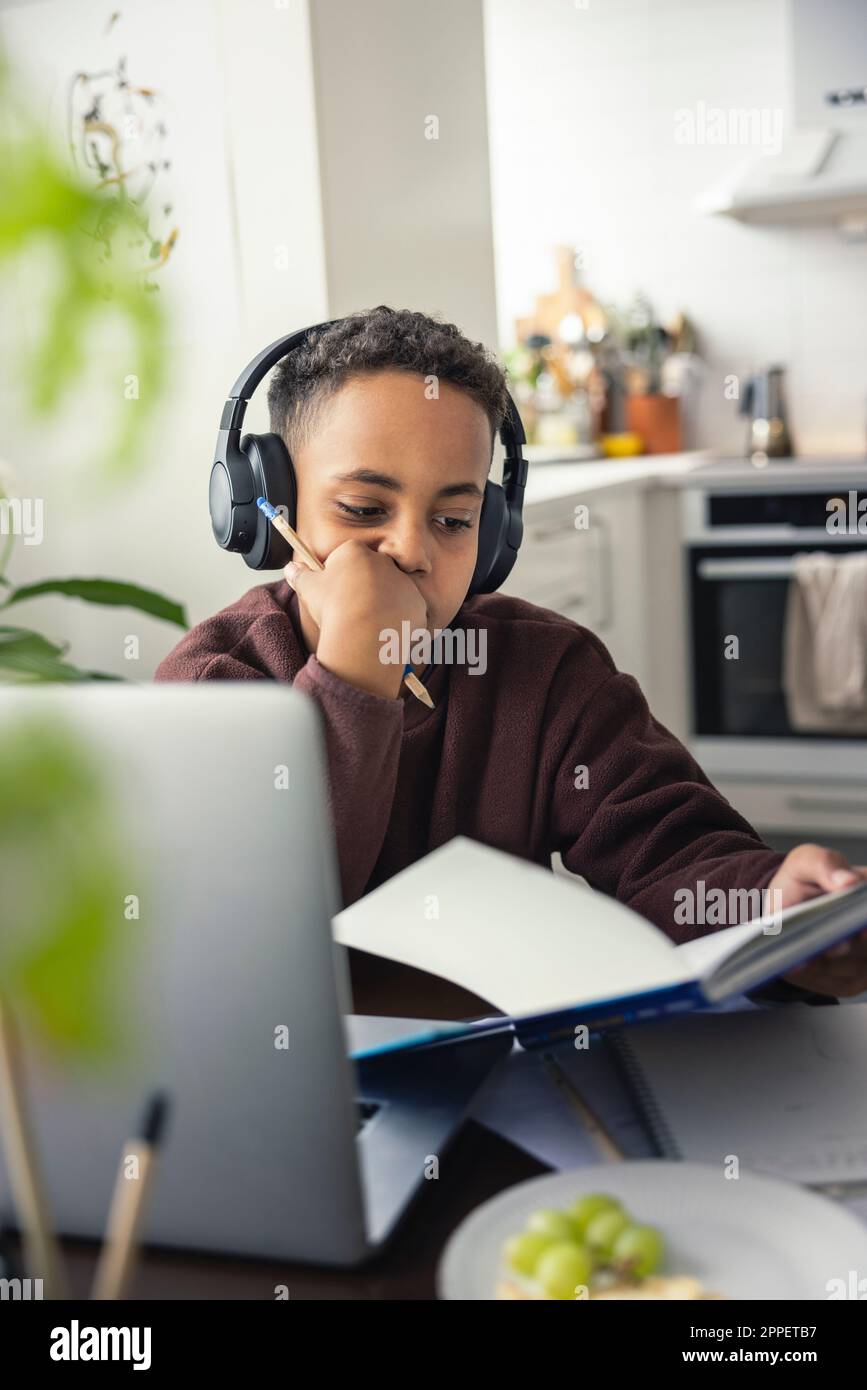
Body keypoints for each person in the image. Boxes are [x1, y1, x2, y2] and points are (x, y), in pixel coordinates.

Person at [156, 306, 867, 1000]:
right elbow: (247, 941)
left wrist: (770, 907)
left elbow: (667, 851)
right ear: (268, 511)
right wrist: (355, 675)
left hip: (500, 1071)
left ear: (492, 536)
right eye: (365, 510)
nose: (410, 549)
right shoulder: (216, 680)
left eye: (453, 520)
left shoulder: (545, 671)